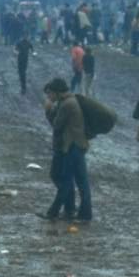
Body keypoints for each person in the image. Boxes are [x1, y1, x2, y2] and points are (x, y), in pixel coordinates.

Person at [38, 77, 92, 224]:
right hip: (75, 145)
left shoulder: (67, 104)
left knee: (70, 181)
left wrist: (48, 110)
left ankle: (55, 212)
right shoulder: (67, 101)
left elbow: (56, 126)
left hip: (73, 146)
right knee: (78, 180)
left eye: (50, 93)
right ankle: (73, 211)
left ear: (57, 92)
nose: (49, 97)